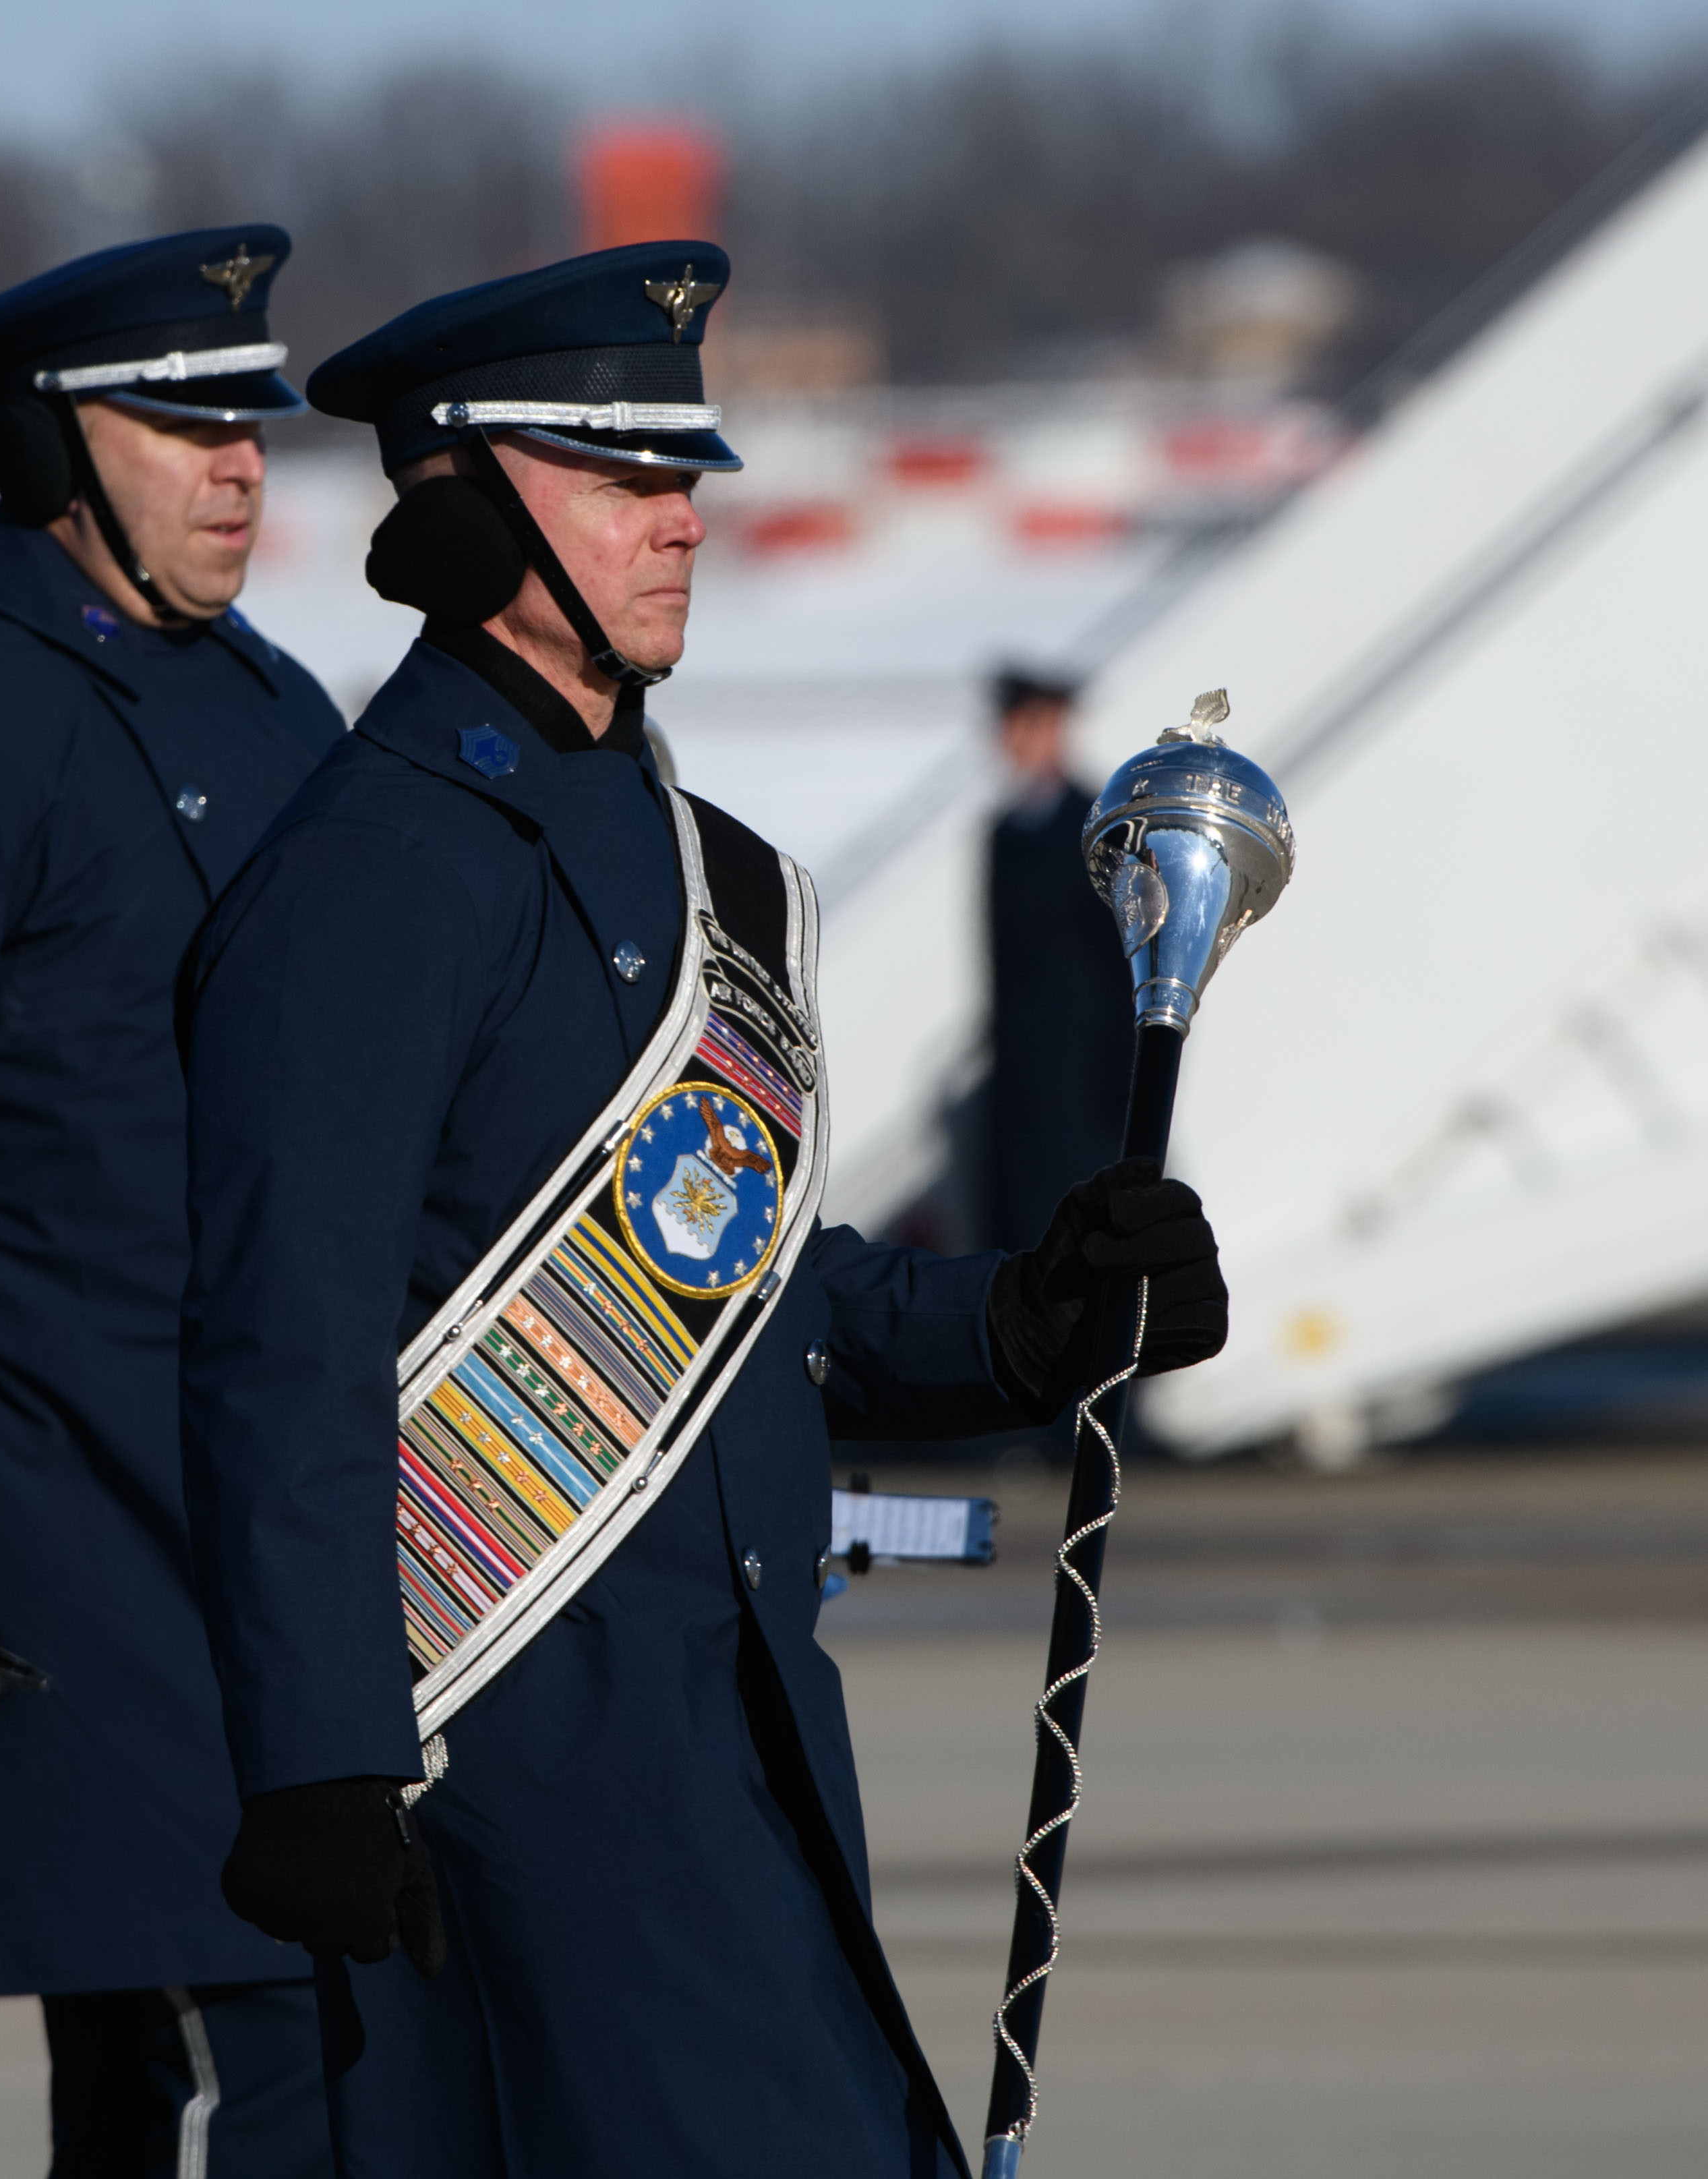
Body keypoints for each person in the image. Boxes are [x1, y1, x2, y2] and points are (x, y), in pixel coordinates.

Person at [175, 243, 1232, 2176]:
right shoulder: (371, 870)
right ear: (458, 513)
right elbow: (280, 1340)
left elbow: (739, 1291)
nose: (680, 522)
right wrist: (318, 1751)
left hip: (730, 1721)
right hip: (500, 1737)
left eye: (682, 479)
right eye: (618, 481)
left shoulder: (696, 862)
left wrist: (1015, 1318)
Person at [0, 225, 347, 2176]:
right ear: (47, 449)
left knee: (288, 2050)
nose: (236, 464)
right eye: (178, 422)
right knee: (236, 2041)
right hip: (65, 1509)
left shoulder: (275, 706)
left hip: (282, 1494)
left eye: (249, 423)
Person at [983, 664, 1134, 1250]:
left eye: (1025, 724)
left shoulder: (1099, 826)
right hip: (1023, 1082)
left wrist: (1121, 1081)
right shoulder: (1005, 831)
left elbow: (1123, 956)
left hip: (1086, 1085)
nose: (1010, 740)